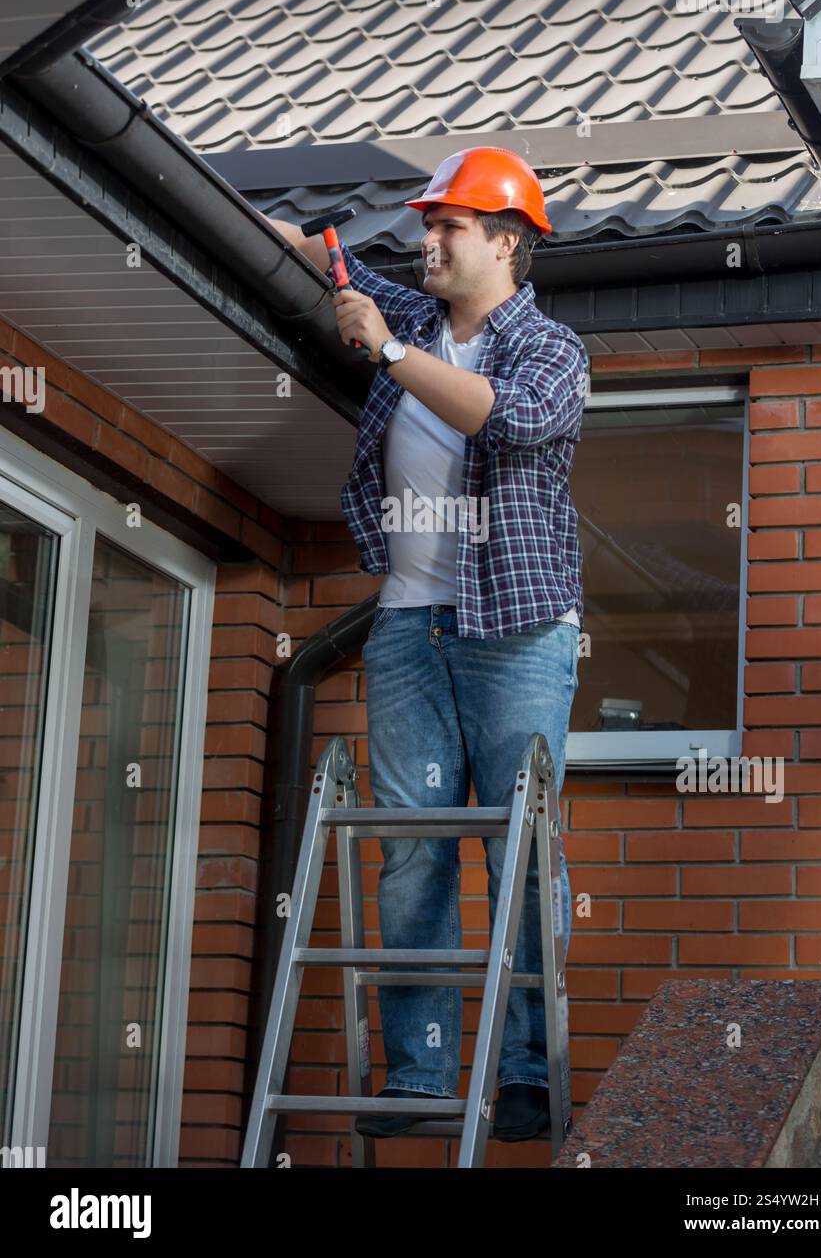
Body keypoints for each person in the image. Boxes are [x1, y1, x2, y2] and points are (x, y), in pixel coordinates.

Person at [269, 147, 587, 1144]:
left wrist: (394, 356)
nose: (428, 241)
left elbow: (515, 425)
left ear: (505, 243)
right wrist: (227, 209)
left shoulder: (549, 350)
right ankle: (417, 1072)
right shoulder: (408, 315)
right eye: (426, 223)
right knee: (411, 844)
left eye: (449, 226)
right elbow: (325, 257)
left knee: (519, 848)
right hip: (409, 620)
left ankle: (526, 1071)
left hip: (519, 628)